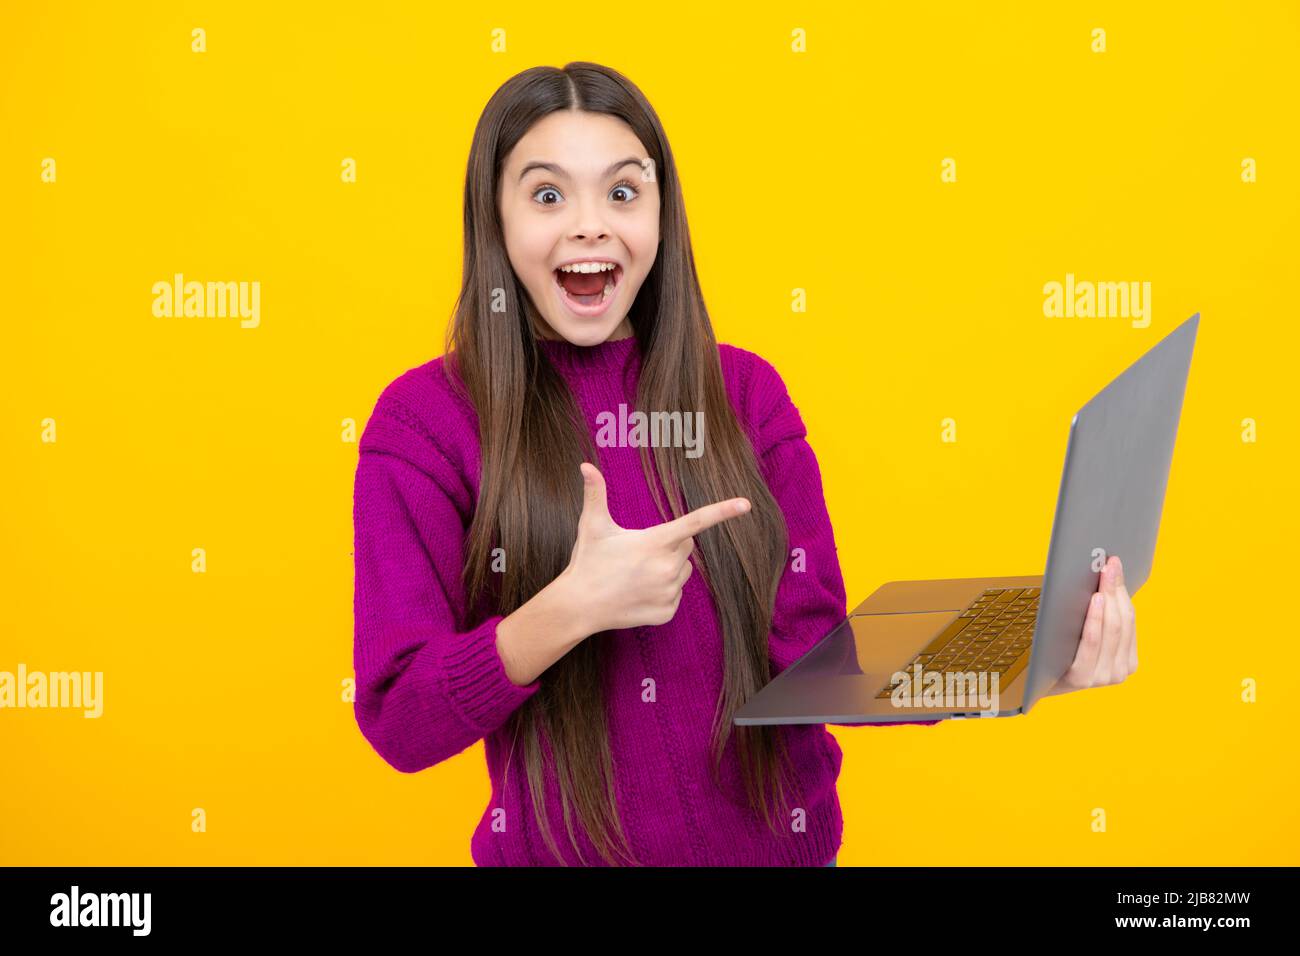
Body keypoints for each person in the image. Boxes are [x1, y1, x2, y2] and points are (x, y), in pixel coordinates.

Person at [351, 62, 1138, 867]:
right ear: (494, 217)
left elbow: (817, 656)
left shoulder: (744, 394)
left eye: (623, 192)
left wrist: (1026, 660)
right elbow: (400, 718)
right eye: (547, 195)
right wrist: (571, 610)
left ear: (663, 215)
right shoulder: (424, 425)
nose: (590, 225)